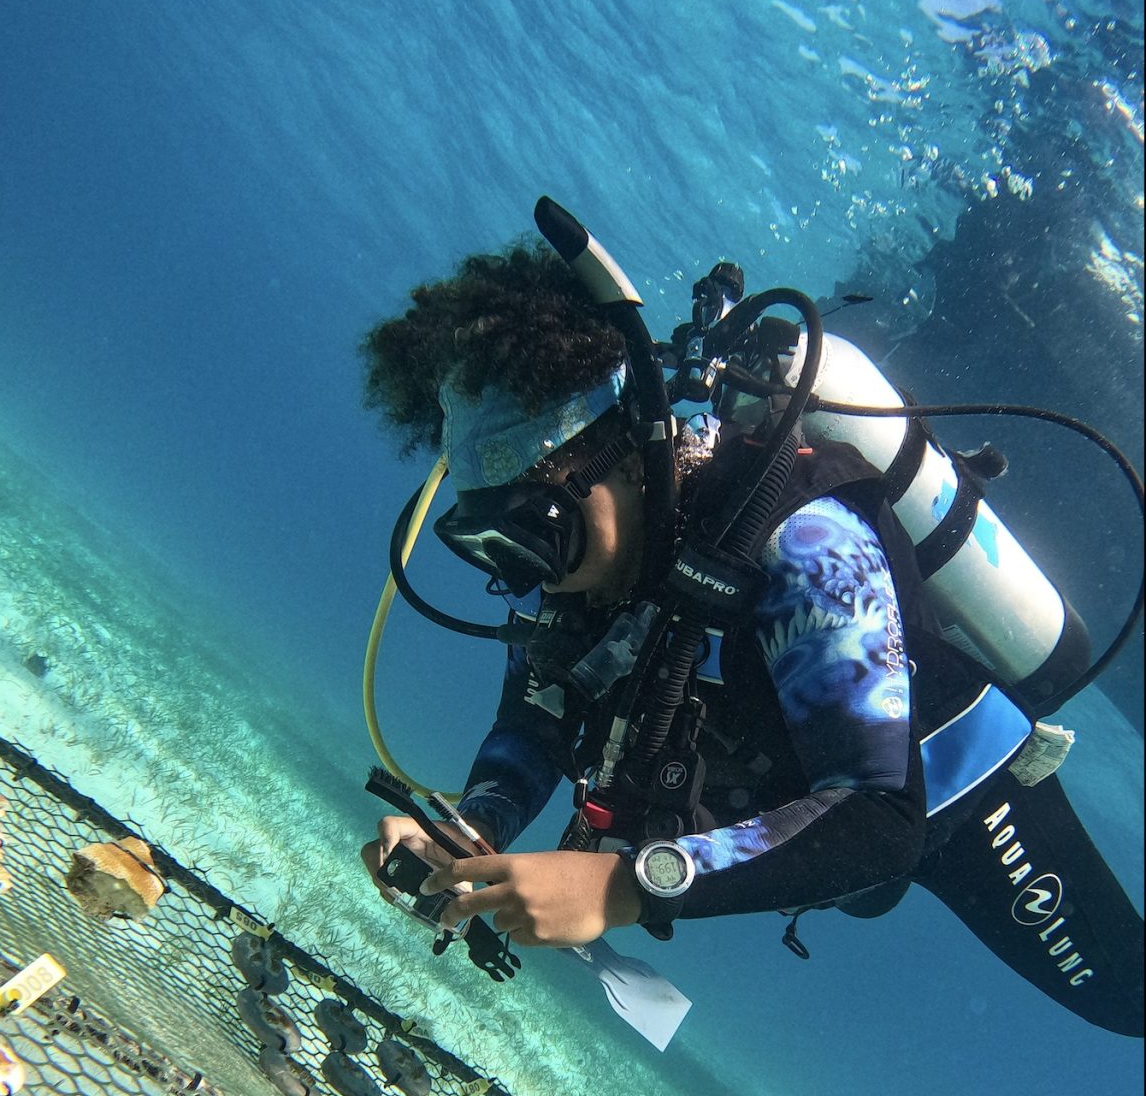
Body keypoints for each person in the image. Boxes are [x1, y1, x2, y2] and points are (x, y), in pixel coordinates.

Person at [357, 235, 1143, 1037]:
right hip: (806, 824)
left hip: (955, 796)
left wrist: (622, 887)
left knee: (1131, 994)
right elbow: (534, 722)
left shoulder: (803, 540)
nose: (532, 574)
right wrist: (468, 830)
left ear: (627, 454)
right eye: (492, 545)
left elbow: (879, 819)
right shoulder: (586, 575)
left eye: (541, 530)